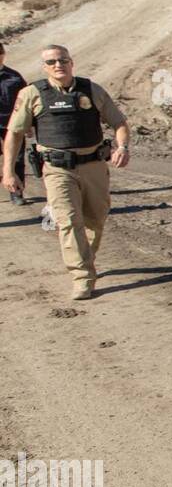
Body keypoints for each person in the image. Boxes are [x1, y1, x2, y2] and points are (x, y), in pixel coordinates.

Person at [1, 45, 130, 299]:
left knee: (96, 218)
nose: (57, 65)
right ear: (44, 67)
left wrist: (122, 146)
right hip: (57, 169)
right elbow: (14, 133)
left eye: (62, 60)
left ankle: (85, 259)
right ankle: (82, 276)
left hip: (94, 165)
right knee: (69, 221)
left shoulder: (91, 89)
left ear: (71, 63)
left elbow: (119, 122)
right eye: (51, 62)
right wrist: (8, 171)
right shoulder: (32, 93)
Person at [0, 42, 28, 204]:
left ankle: (16, 192)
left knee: (16, 159)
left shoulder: (14, 78)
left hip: (12, 125)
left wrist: (29, 124)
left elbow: (26, 101)